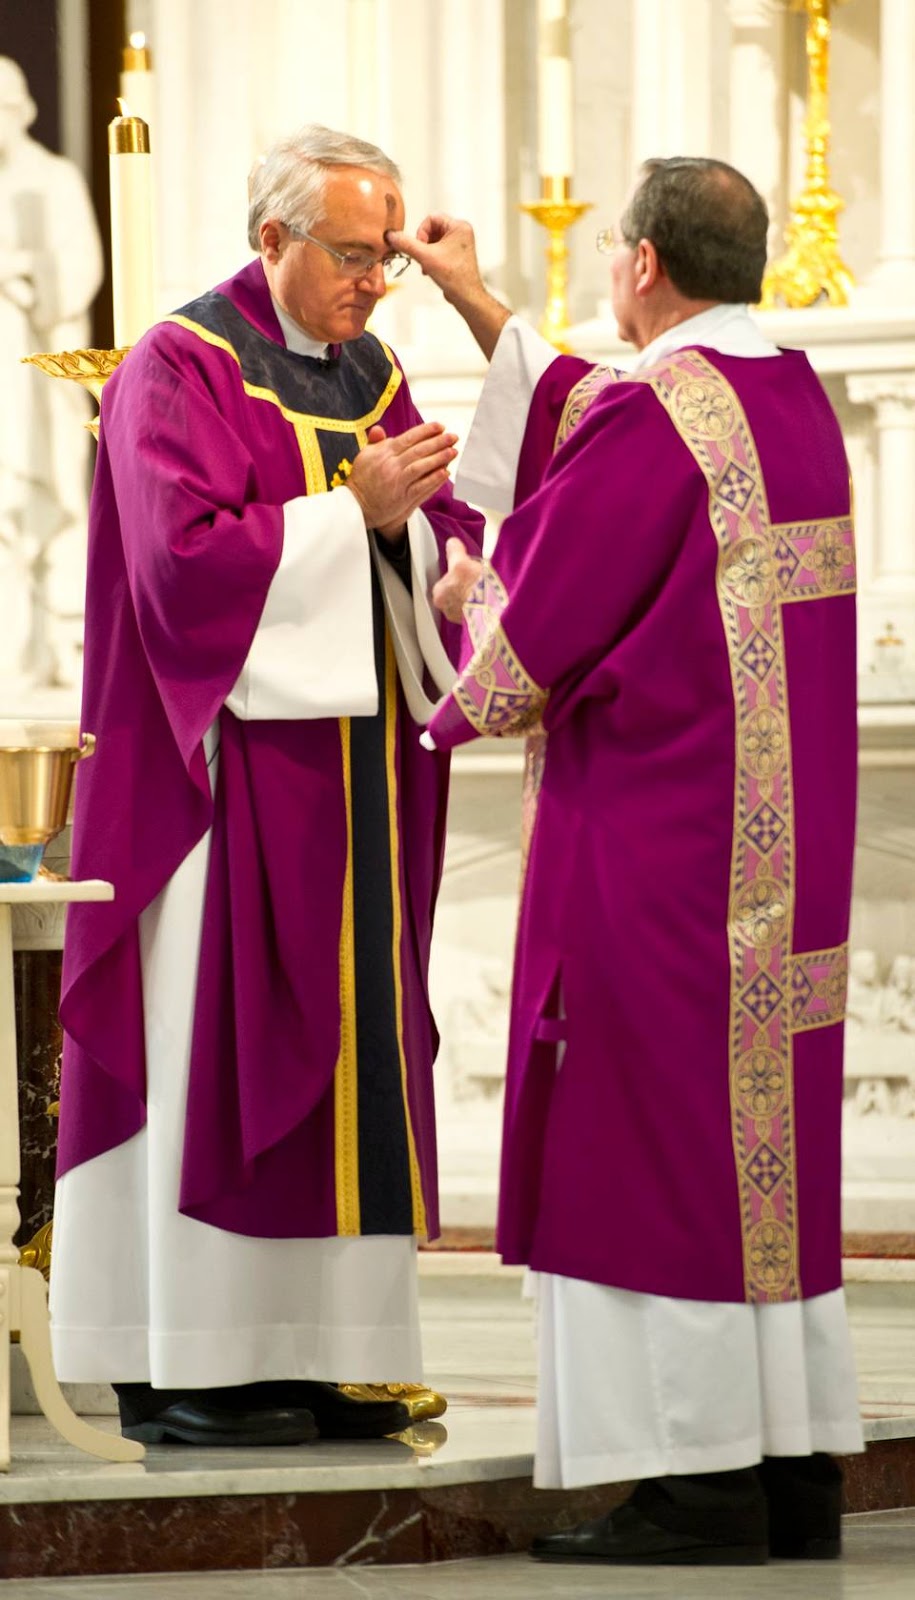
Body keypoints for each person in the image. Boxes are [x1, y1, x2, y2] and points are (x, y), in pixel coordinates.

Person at [388, 156, 863, 1563]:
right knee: (756, 1157)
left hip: (654, 856)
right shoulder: (783, 399)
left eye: (610, 252)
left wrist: (469, 627)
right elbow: (589, 426)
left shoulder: (661, 417)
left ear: (642, 264)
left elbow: (548, 623)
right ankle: (786, 1470)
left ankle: (690, 1477)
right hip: (772, 867)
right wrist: (479, 303)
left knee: (640, 1146)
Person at [49, 124, 483, 1448]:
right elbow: (179, 571)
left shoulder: (375, 372)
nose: (369, 283)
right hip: (223, 786)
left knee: (354, 1058)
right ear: (271, 242)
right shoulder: (174, 370)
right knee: (210, 1053)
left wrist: (442, 571)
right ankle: (187, 1357)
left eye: (383, 258)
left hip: (356, 791)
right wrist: (348, 514)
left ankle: (324, 1356)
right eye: (350, 256)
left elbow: (429, 530)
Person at [0, 55, 103, 688]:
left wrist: (25, 273)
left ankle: (57, 642)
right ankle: (12, 646)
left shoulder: (55, 178)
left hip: (37, 370)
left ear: (21, 111)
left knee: (50, 502)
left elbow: (81, 268)